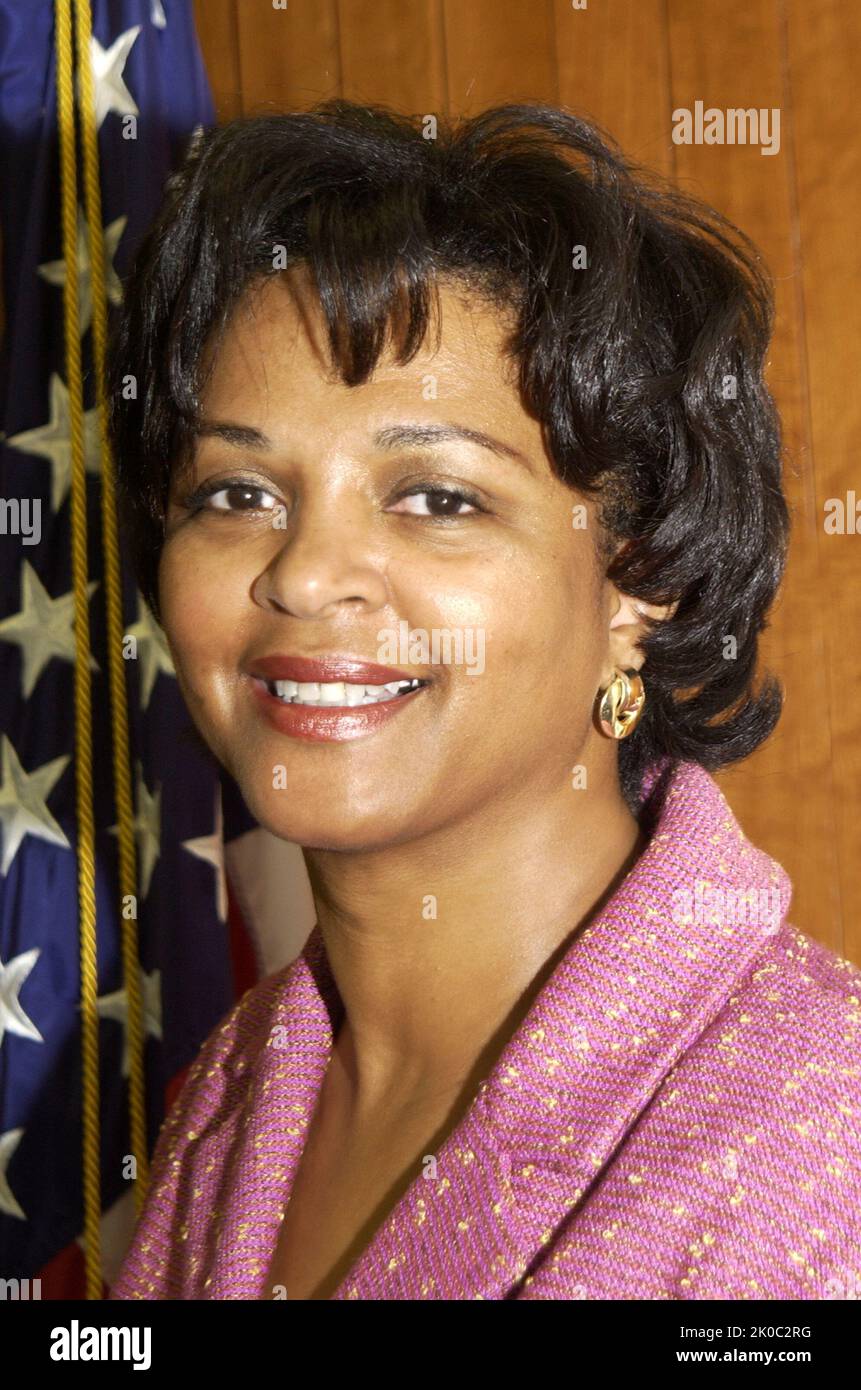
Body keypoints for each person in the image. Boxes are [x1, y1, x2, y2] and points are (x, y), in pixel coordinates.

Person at [107, 101, 860, 1300]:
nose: (302, 572)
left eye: (438, 497)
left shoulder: (821, 1139)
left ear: (640, 580)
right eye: (237, 490)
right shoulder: (226, 1102)